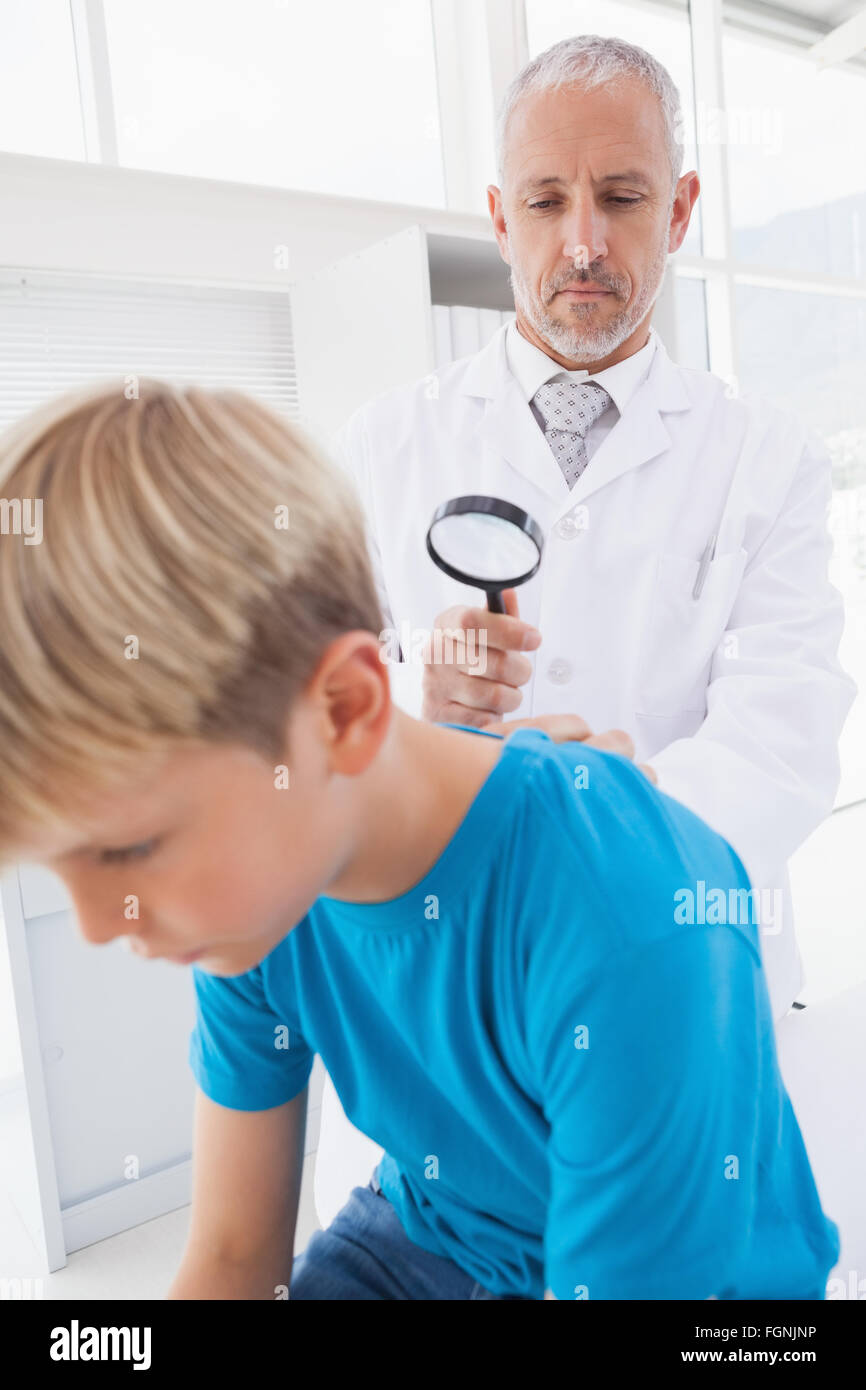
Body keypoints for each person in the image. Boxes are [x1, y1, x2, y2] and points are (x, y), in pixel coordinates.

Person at [0, 380, 838, 1299]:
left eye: (128, 850)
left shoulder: (628, 924)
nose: (94, 924)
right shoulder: (253, 902)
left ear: (348, 708)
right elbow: (235, 1258)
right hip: (434, 1239)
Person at [323, 33, 856, 1221]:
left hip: (680, 981)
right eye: (545, 201)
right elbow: (304, 732)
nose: (581, 242)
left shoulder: (764, 461)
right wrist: (425, 715)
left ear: (677, 210)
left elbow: (783, 742)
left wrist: (607, 806)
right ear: (498, 215)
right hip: (451, 993)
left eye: (619, 198)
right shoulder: (379, 450)